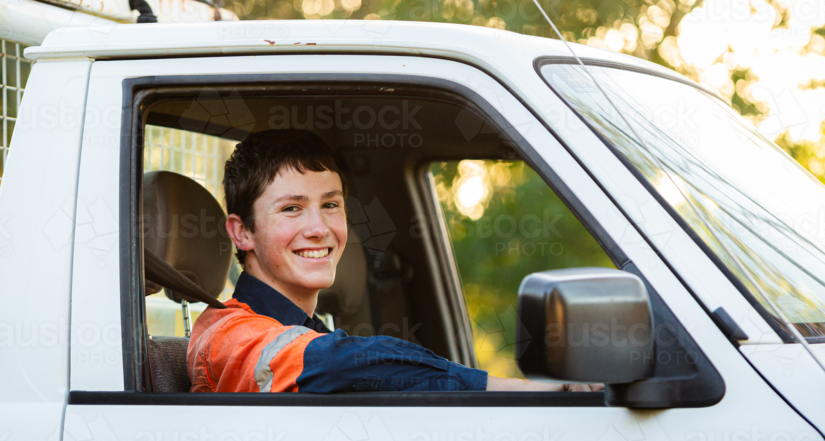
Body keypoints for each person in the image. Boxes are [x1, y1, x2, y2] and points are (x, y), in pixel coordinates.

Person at [187, 128, 600, 393]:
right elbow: (338, 363)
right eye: (292, 209)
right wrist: (514, 390)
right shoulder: (224, 334)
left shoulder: (300, 330)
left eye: (330, 204)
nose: (319, 227)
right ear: (241, 232)